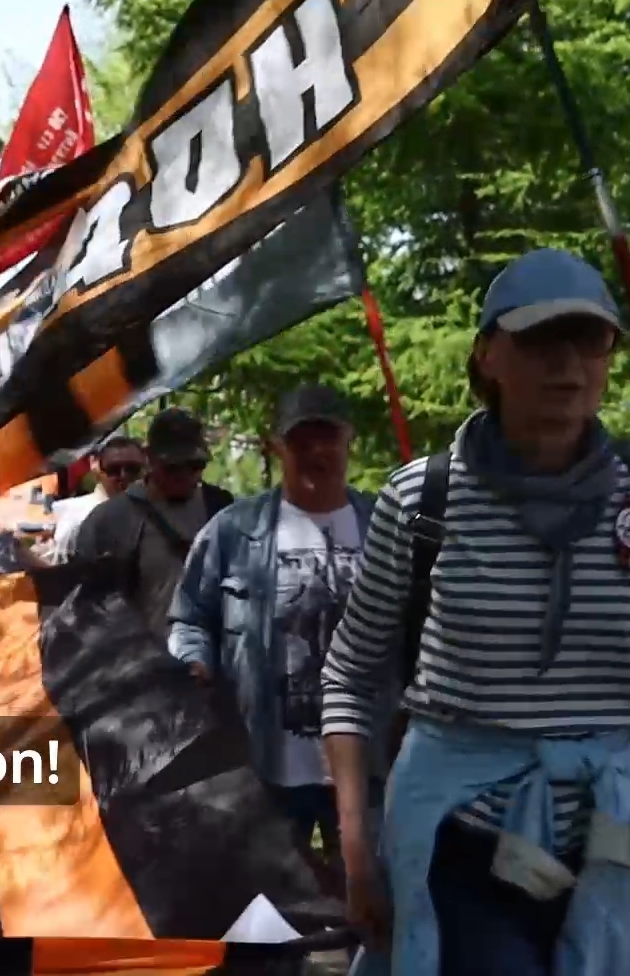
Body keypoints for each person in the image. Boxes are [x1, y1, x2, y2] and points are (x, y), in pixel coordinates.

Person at [320, 248, 630, 976]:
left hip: (610, 852)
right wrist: (355, 848)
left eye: (588, 340)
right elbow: (348, 675)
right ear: (488, 356)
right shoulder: (421, 501)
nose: (566, 363)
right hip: (461, 851)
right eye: (539, 339)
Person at [168, 384, 383, 896]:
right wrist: (192, 662)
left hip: (367, 770)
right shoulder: (233, 531)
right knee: (266, 918)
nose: (315, 450)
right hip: (265, 766)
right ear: (276, 446)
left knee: (377, 913)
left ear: (348, 437)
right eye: (300, 439)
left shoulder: (384, 527)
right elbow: (189, 618)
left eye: (327, 435)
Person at [68, 407, 235, 638]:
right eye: (173, 467)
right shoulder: (108, 522)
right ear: (150, 458)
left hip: (209, 662)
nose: (184, 475)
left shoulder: (222, 509)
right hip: (141, 666)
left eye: (194, 466)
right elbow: (84, 610)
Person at [52, 436, 148, 558]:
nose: (123, 476)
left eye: (132, 468)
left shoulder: (155, 510)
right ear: (97, 467)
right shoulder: (77, 518)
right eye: (113, 469)